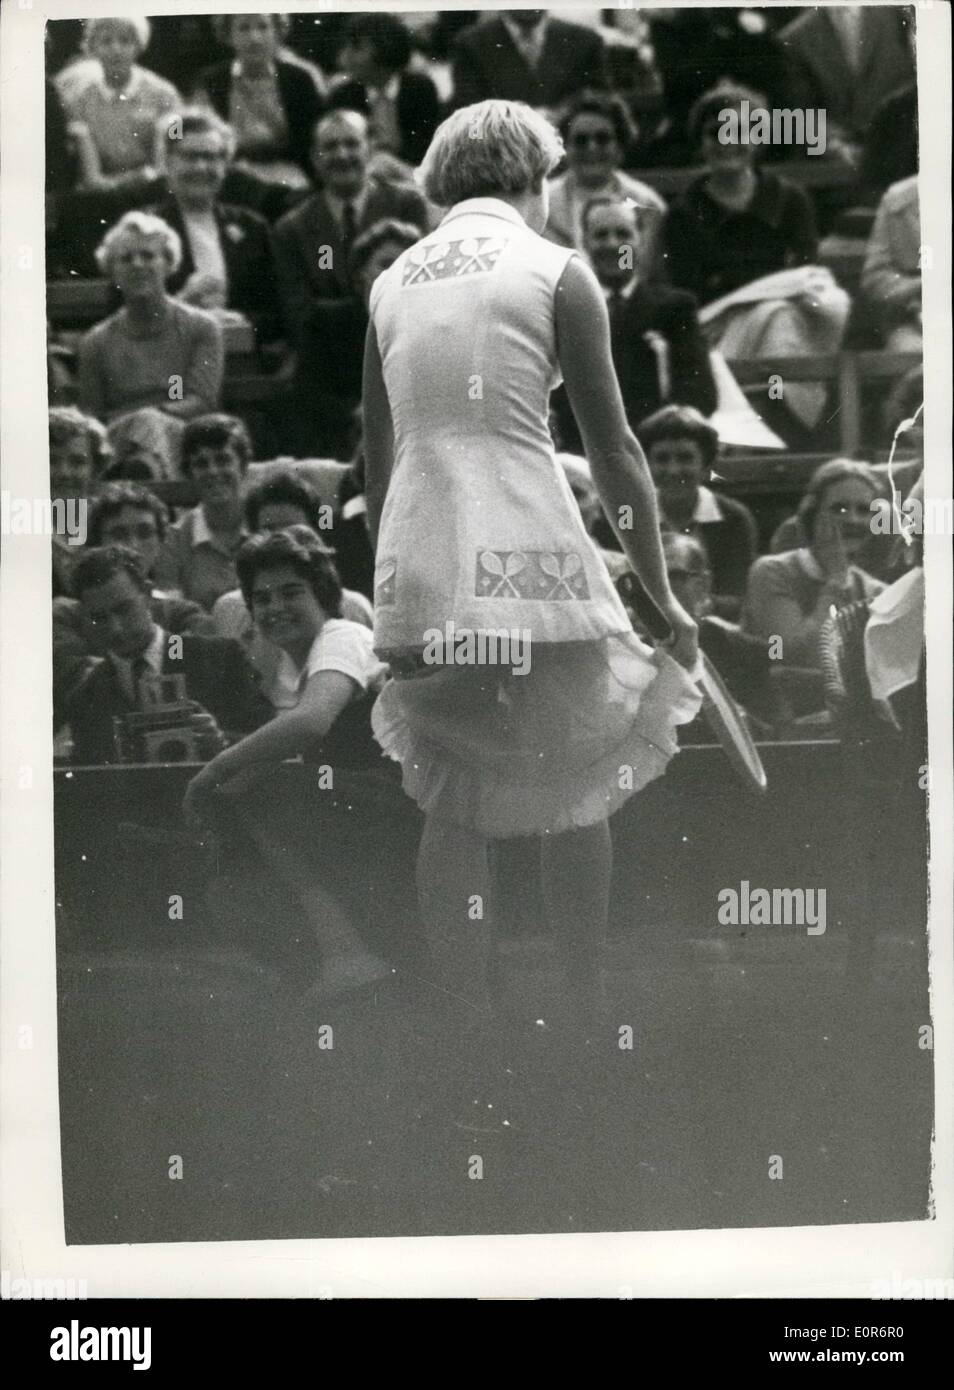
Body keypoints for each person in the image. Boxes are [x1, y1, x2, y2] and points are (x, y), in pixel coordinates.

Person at [362, 100, 702, 1023]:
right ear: (532, 179)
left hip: (420, 555)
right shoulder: (558, 269)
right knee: (577, 775)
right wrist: (661, 590)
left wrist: (392, 579)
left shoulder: (391, 279)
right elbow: (617, 447)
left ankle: (464, 1021)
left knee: (451, 789)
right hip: (527, 548)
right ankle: (585, 1007)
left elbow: (375, 453)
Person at [183, 528, 391, 998]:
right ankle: (330, 963)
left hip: (397, 801)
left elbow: (311, 723)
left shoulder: (343, 635)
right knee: (235, 870)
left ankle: (348, 952)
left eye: (291, 592)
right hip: (363, 807)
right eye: (262, 598)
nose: (275, 607)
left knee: (258, 787)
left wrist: (215, 771)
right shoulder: (298, 668)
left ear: (323, 595)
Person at [665, 83, 849, 434]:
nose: (727, 142)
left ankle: (775, 418)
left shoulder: (790, 200)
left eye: (739, 131)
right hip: (718, 329)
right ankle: (785, 425)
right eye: (715, 132)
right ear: (701, 142)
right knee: (776, 316)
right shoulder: (684, 213)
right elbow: (688, 293)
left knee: (794, 313)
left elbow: (806, 272)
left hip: (791, 317)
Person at [272, 111, 429, 454]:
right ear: (314, 158)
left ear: (370, 148)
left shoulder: (405, 205)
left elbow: (425, 288)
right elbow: (300, 315)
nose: (342, 155)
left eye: (351, 144)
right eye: (330, 147)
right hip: (332, 366)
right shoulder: (294, 229)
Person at [60, 546, 269, 766]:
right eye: (99, 618)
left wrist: (223, 741)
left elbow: (274, 742)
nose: (115, 628)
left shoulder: (220, 657)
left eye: (124, 609)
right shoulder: (85, 698)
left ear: (149, 595)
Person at [552, 196, 716, 451]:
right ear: (584, 242)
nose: (613, 244)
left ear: (640, 239)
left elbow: (698, 393)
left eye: (623, 233)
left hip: (654, 451)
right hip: (585, 450)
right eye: (601, 235)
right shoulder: (566, 307)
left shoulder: (675, 308)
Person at [77, 211, 225, 478]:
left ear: (168, 264)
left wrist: (150, 416)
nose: (137, 264)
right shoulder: (96, 342)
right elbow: (94, 418)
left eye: (148, 256)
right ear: (112, 271)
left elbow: (200, 400)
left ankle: (145, 474)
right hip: (117, 444)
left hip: (184, 437)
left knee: (151, 427)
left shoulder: (200, 329)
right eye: (126, 258)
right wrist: (137, 425)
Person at [211, 471, 373, 707]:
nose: (280, 539)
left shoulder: (352, 611)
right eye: (268, 530)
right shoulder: (231, 609)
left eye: (292, 529)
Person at [53, 482, 212, 708]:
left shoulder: (180, 613)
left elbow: (187, 658)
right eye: (118, 533)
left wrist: (169, 653)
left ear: (161, 541)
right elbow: (81, 680)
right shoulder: (66, 616)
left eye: (145, 532)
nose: (133, 544)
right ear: (97, 543)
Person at [148, 109, 283, 344]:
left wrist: (240, 319)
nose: (201, 167)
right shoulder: (146, 229)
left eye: (211, 157)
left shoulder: (252, 227)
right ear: (168, 163)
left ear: (225, 165)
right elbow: (124, 314)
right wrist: (181, 303)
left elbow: (278, 310)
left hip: (242, 359)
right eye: (190, 157)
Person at [741, 459, 885, 672]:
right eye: (840, 508)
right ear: (812, 514)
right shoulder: (771, 572)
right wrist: (835, 582)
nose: (853, 519)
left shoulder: (876, 591)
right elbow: (786, 657)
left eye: (864, 510)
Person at [635, 406, 757, 612]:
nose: (673, 470)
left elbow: (738, 598)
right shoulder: (632, 516)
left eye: (685, 458)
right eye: (662, 459)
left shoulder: (734, 518)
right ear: (646, 464)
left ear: (706, 465)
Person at [193, 13, 325, 189]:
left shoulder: (299, 79)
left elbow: (314, 139)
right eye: (244, 28)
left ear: (277, 32)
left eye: (263, 27)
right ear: (228, 35)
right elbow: (186, 127)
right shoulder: (212, 80)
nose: (254, 38)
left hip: (289, 174)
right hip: (230, 174)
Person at [544, 91, 665, 267]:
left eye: (603, 139)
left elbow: (641, 272)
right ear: (565, 147)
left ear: (619, 146)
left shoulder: (647, 205)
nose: (592, 148)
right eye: (581, 140)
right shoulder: (543, 205)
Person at [58, 16, 180, 193]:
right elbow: (91, 179)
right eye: (106, 41)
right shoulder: (78, 99)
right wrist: (131, 180)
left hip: (156, 191)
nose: (116, 49)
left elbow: (172, 157)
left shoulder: (166, 94)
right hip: (102, 195)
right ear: (93, 48)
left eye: (125, 41)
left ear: (138, 46)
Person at [154, 413, 253, 611]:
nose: (213, 471)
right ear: (189, 473)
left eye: (223, 460)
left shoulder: (264, 523)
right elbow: (174, 616)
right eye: (201, 464)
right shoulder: (174, 540)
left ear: (242, 466)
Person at [328, 13, 441, 168]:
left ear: (385, 49)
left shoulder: (420, 89)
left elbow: (427, 145)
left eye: (356, 48)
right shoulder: (343, 95)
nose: (345, 56)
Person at [451, 11, 607, 113]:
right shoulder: (470, 44)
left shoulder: (586, 42)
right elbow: (469, 111)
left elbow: (599, 100)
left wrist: (561, 115)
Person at [49, 406, 110, 598]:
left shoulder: (110, 519)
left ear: (94, 467)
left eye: (77, 462)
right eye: (51, 461)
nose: (64, 472)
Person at [861, 176, 922, 353]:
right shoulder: (898, 201)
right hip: (913, 322)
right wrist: (920, 286)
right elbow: (875, 279)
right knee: (916, 356)